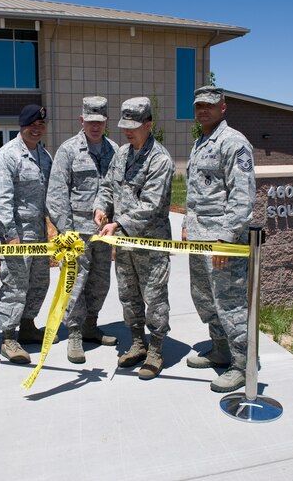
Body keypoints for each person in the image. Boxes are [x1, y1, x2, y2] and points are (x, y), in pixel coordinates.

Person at [93, 97, 174, 380]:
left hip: (150, 245)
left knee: (154, 298)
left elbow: (151, 206)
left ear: (148, 125)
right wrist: (101, 206)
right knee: (128, 296)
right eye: (124, 126)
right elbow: (107, 185)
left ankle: (157, 350)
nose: (127, 131)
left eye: (133, 126)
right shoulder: (122, 153)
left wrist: (118, 224)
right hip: (125, 245)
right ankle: (138, 342)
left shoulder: (160, 159)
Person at [182, 86, 256, 393]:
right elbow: (197, 192)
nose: (203, 110)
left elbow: (242, 196)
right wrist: (187, 223)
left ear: (223, 107)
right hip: (200, 240)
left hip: (222, 242)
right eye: (199, 105)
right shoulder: (200, 143)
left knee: (231, 304)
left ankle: (241, 364)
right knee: (206, 300)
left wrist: (226, 238)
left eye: (209, 106)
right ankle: (221, 350)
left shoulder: (233, 142)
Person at [47, 97, 119, 364]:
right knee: (76, 281)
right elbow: (56, 194)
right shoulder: (68, 151)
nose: (95, 126)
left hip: (103, 232)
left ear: (106, 122)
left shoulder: (115, 150)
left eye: (100, 121)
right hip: (76, 231)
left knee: (100, 280)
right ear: (81, 120)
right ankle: (74, 332)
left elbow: (118, 190)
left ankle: (91, 324)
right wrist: (65, 231)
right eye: (90, 121)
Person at [0, 104, 55, 364]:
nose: (37, 129)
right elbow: (0, 198)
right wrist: (10, 234)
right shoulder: (6, 156)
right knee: (15, 284)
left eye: (41, 125)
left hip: (38, 231)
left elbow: (51, 194)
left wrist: (54, 226)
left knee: (39, 282)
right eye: (32, 125)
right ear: (21, 125)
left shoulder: (45, 156)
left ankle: (28, 326)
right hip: (16, 233)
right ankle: (8, 337)